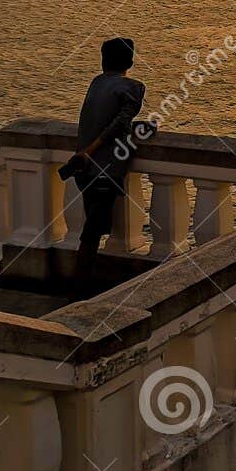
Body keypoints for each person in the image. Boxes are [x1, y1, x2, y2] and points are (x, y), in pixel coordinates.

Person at [63, 37, 147, 285]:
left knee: (92, 229)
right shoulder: (134, 88)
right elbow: (119, 123)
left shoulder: (96, 83)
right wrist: (92, 149)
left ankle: (81, 282)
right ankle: (79, 286)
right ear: (130, 62)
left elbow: (109, 119)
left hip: (85, 172)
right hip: (104, 169)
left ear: (103, 61)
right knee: (91, 233)